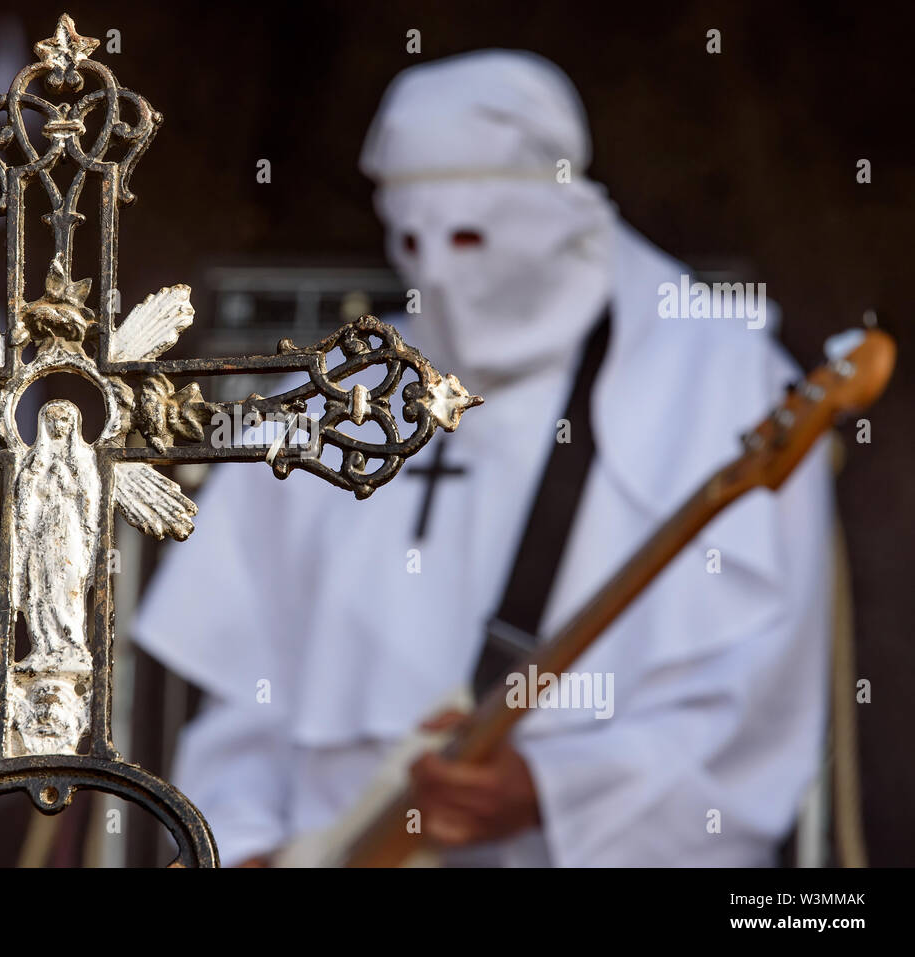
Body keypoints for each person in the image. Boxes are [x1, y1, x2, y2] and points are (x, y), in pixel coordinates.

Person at [130, 50, 836, 866]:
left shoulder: (725, 384)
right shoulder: (326, 397)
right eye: (408, 238)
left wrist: (554, 789)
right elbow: (240, 713)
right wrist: (246, 847)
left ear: (559, 204)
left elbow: (758, 712)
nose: (436, 271)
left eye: (468, 235)